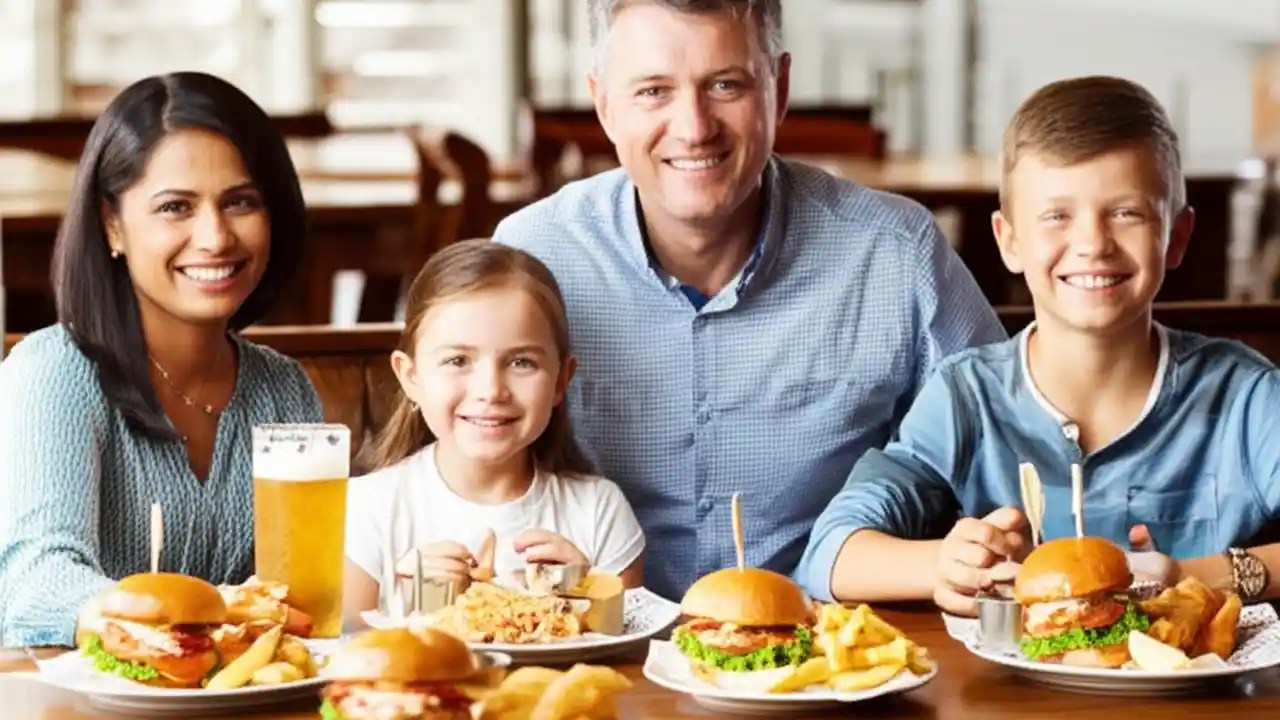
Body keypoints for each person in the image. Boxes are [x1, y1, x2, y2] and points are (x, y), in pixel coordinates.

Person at [493, 0, 1004, 598]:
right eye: (654, 91)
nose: (694, 126)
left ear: (779, 89)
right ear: (604, 103)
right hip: (595, 649)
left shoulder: (895, 254)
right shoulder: (533, 259)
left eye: (725, 84)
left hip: (833, 659)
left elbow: (1002, 454)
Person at [795, 76, 1280, 616]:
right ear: (1009, 241)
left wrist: (1191, 576)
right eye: (1057, 216)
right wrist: (945, 565)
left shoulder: (1246, 398)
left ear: (1177, 236)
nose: (1093, 243)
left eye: (1127, 212)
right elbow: (829, 554)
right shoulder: (965, 397)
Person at [0, 72, 323, 647]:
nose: (216, 237)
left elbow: (306, 599)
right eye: (175, 207)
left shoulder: (283, 389)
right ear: (111, 225)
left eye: (241, 202)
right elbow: (35, 583)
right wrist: (204, 618)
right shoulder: (55, 373)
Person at [341, 240, 645, 624]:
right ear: (411, 377)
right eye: (457, 360)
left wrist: (592, 605)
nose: (490, 390)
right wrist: (425, 615)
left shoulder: (599, 512)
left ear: (559, 382)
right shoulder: (365, 511)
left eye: (521, 362)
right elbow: (341, 662)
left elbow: (629, 666)